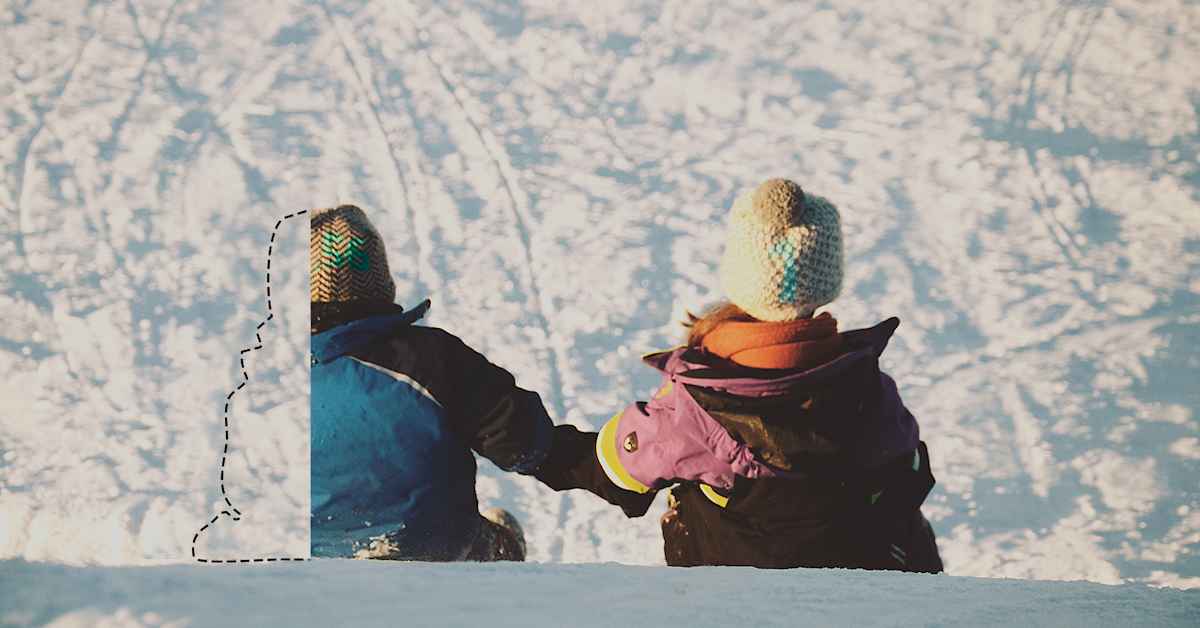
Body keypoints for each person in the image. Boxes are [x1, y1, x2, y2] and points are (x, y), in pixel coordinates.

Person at [593, 179, 944, 571]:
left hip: (727, 586)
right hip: (853, 583)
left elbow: (616, 466)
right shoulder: (872, 393)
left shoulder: (692, 410)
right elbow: (908, 470)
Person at [309, 205, 650, 562]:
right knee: (494, 542)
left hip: (326, 564)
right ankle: (504, 559)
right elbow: (523, 441)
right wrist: (616, 470)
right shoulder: (427, 359)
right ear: (380, 282)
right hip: (435, 550)